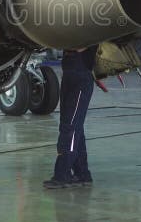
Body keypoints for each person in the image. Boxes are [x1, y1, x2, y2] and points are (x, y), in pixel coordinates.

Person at [44, 45, 99, 189]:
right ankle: (82, 174)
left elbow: (80, 45)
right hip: (69, 75)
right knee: (72, 126)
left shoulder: (91, 28)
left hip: (81, 79)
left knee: (70, 128)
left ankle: (62, 174)